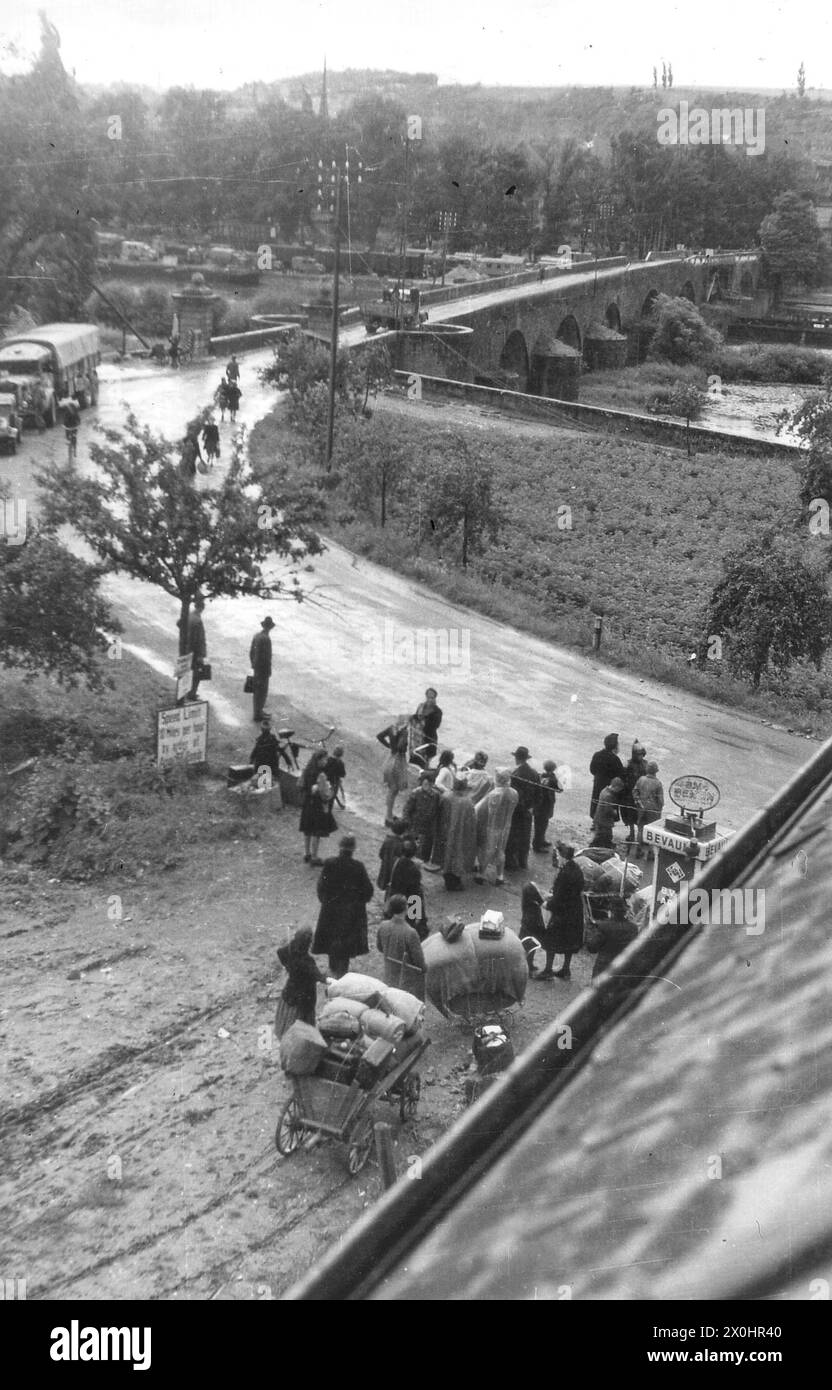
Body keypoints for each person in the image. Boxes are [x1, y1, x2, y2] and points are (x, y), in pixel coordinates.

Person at [312, 835, 374, 978]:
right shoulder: (358, 867)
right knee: (346, 944)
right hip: (350, 913)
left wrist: (326, 902)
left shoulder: (329, 863)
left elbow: (321, 887)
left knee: (331, 940)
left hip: (331, 911)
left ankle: (333, 969)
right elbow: (368, 891)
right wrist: (359, 904)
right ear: (353, 849)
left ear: (339, 846)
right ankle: (343, 973)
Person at [538, 842, 585, 981]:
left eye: (557, 855)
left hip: (562, 913)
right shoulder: (576, 869)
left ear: (562, 856)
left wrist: (547, 904)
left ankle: (548, 969)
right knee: (569, 941)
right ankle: (566, 969)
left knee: (551, 940)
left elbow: (559, 897)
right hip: (575, 911)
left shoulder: (564, 873)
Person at [273, 927, 326, 1037]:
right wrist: (329, 980)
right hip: (304, 997)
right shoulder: (307, 961)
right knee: (301, 1024)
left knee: (288, 1022)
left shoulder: (288, 951)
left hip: (290, 991)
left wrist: (287, 966)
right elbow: (319, 977)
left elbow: (279, 952)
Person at [377, 894, 426, 1000]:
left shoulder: (383, 926)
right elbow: (420, 963)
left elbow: (380, 947)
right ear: (406, 908)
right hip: (407, 982)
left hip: (389, 976)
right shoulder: (410, 932)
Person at [475, 769, 518, 885]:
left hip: (493, 826)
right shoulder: (514, 793)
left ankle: (481, 873)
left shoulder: (495, 794)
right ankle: (500, 876)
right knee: (501, 850)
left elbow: (488, 812)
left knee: (488, 850)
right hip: (506, 826)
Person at [505, 746, 541, 872]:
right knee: (525, 836)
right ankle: (523, 862)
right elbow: (539, 793)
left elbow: (514, 794)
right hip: (528, 810)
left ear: (517, 758)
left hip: (517, 810)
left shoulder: (515, 775)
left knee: (513, 836)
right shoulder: (535, 774)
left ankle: (511, 863)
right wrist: (533, 807)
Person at [586, 896, 638, 981]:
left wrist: (590, 930)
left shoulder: (603, 926)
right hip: (624, 970)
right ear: (625, 912)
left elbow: (592, 948)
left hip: (604, 968)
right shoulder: (633, 928)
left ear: (611, 912)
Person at [299, 749, 337, 865]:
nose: (326, 761)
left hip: (307, 803)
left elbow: (300, 785)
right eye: (325, 759)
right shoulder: (321, 775)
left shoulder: (306, 770)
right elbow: (325, 795)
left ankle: (307, 854)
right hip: (317, 805)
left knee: (307, 830)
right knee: (316, 831)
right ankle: (314, 857)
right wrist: (331, 793)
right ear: (319, 760)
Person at [439, 778, 477, 891]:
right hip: (461, 834)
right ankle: (454, 881)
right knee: (458, 857)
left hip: (446, 832)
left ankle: (447, 877)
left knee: (447, 856)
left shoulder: (446, 797)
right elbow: (472, 821)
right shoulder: (467, 802)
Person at [387, 839, 428, 940]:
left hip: (396, 898)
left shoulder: (396, 862)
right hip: (408, 902)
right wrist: (418, 915)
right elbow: (415, 894)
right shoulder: (414, 869)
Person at [377, 715, 411, 826]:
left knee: (392, 789)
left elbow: (379, 736)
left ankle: (389, 815)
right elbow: (401, 747)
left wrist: (389, 746)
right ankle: (388, 817)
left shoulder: (392, 728)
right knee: (394, 789)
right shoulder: (404, 732)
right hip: (398, 760)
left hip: (391, 757)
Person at [404, 773, 440, 865]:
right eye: (425, 784)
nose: (426, 787)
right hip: (415, 824)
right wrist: (407, 823)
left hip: (427, 825)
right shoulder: (416, 793)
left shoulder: (435, 795)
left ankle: (423, 859)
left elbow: (436, 811)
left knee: (425, 847)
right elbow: (407, 809)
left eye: (429, 784)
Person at [589, 734, 625, 819]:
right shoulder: (615, 759)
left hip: (598, 784)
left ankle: (595, 822)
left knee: (596, 802)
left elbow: (592, 770)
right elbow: (621, 775)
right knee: (607, 807)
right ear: (615, 747)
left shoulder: (597, 755)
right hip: (610, 787)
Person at [634, 760, 664, 858]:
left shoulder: (641, 779)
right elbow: (660, 800)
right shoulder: (658, 783)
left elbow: (635, 792)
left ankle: (638, 850)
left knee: (640, 829)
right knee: (653, 832)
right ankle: (651, 853)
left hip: (641, 809)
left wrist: (638, 802)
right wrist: (660, 808)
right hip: (653, 811)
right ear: (656, 771)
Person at [620, 740, 647, 845]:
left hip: (641, 796)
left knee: (641, 818)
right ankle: (631, 834)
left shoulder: (646, 765)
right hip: (629, 795)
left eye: (641, 754)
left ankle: (641, 836)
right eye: (638, 754)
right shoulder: (627, 764)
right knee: (630, 816)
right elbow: (623, 778)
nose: (640, 756)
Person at [533, 759, 563, 852]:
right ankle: (537, 845)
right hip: (546, 805)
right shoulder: (553, 779)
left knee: (539, 825)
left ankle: (540, 841)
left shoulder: (539, 776)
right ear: (553, 769)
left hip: (539, 805)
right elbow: (560, 789)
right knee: (542, 825)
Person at [249, 615, 275, 722]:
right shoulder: (266, 639)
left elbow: (251, 652)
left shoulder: (257, 636)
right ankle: (258, 713)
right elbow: (266, 657)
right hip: (263, 669)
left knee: (256, 691)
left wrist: (253, 664)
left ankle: (258, 711)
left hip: (256, 668)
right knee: (262, 692)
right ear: (269, 627)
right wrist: (268, 670)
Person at [520, 880, 545, 978]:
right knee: (529, 949)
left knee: (530, 949)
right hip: (530, 930)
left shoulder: (527, 902)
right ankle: (528, 968)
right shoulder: (533, 906)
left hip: (527, 928)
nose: (538, 889)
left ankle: (529, 965)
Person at [592, 776, 625, 849]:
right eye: (619, 789)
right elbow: (608, 810)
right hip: (604, 821)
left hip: (599, 818)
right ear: (616, 787)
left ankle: (603, 846)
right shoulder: (609, 796)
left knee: (601, 835)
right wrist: (614, 812)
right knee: (604, 836)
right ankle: (602, 848)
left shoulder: (604, 790)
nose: (619, 791)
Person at [185, 595, 207, 702]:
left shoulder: (189, 615)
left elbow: (179, 623)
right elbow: (200, 640)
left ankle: (186, 692)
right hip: (195, 652)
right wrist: (201, 655)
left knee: (187, 672)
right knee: (197, 674)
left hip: (187, 648)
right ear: (201, 608)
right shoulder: (198, 620)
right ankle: (192, 694)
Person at [377, 818, 407, 891]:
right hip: (395, 871)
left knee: (386, 885)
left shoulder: (387, 840)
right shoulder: (402, 844)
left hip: (386, 868)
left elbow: (381, 854)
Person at [414, 687, 442, 765]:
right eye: (428, 697)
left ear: (435, 698)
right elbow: (415, 718)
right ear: (426, 696)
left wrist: (424, 721)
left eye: (432, 698)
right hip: (418, 737)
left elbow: (436, 725)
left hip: (430, 738)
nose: (429, 699)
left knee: (428, 761)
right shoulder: (420, 706)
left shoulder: (437, 711)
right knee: (416, 759)